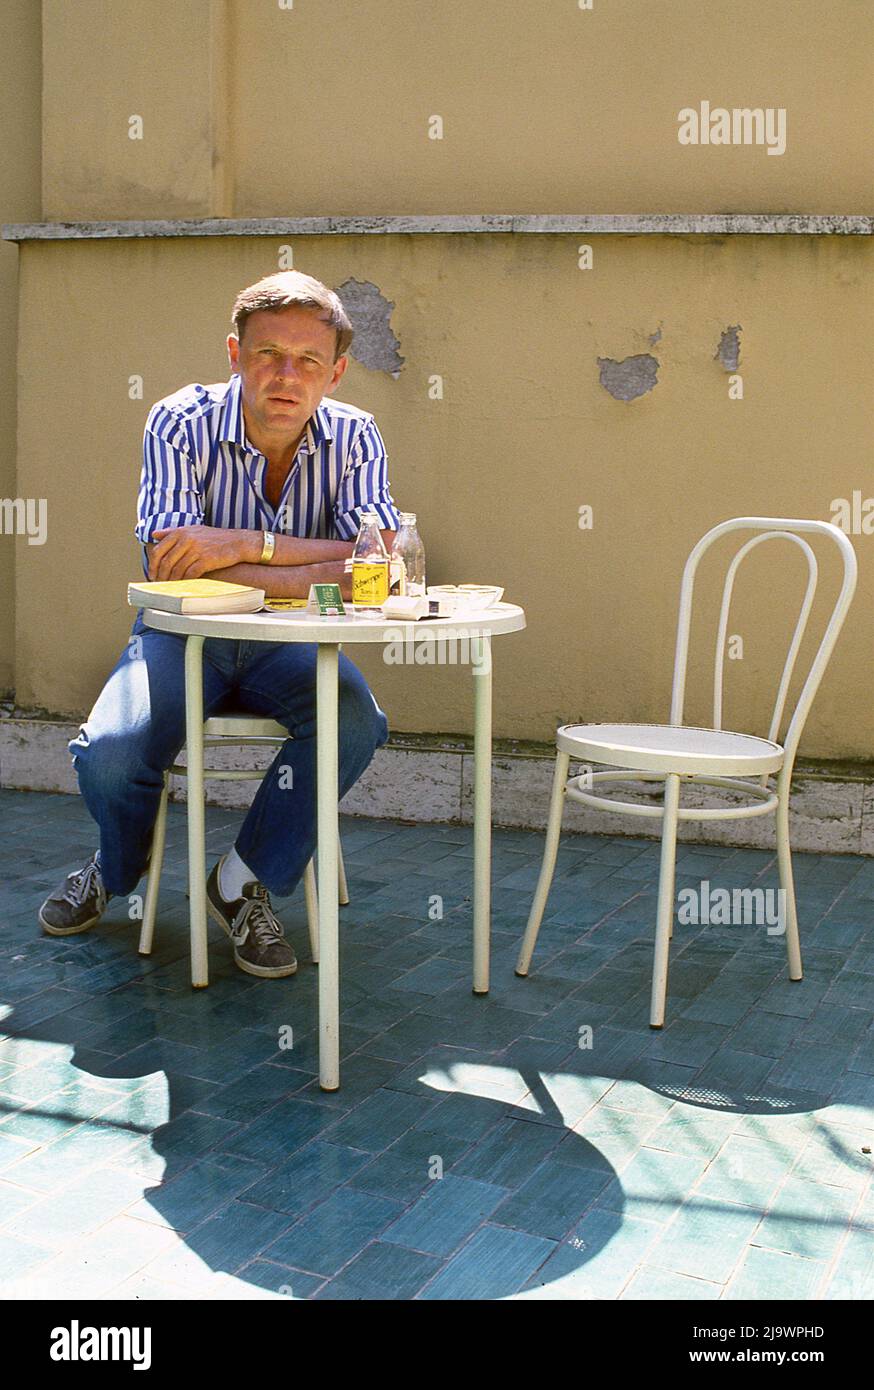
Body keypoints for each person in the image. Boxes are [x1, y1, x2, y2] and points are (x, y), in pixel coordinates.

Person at [38, 270, 399, 979]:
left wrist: (241, 545)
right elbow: (172, 568)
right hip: (183, 638)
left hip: (293, 648)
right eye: (268, 355)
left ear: (337, 373)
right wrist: (316, 566)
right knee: (110, 751)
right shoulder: (179, 421)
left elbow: (379, 566)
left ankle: (241, 882)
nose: (286, 376)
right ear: (235, 354)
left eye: (308, 361)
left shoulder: (355, 436)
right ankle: (114, 870)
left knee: (355, 722)